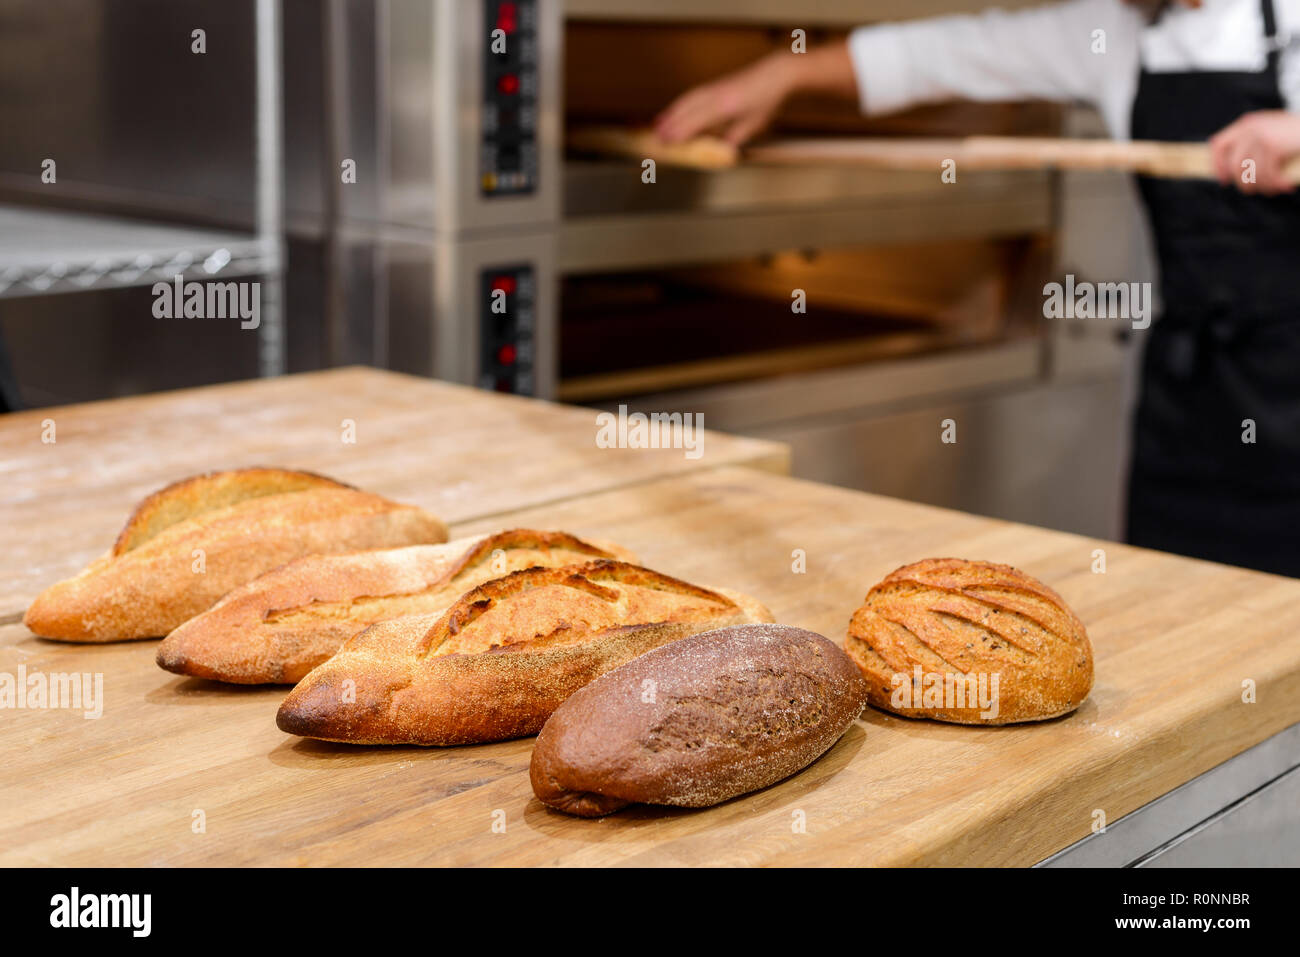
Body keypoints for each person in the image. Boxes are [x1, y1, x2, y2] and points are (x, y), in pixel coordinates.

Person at [656, 0, 1300, 578]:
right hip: (1190, 401)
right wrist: (781, 75)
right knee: (1184, 607)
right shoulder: (1115, 30)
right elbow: (938, 54)